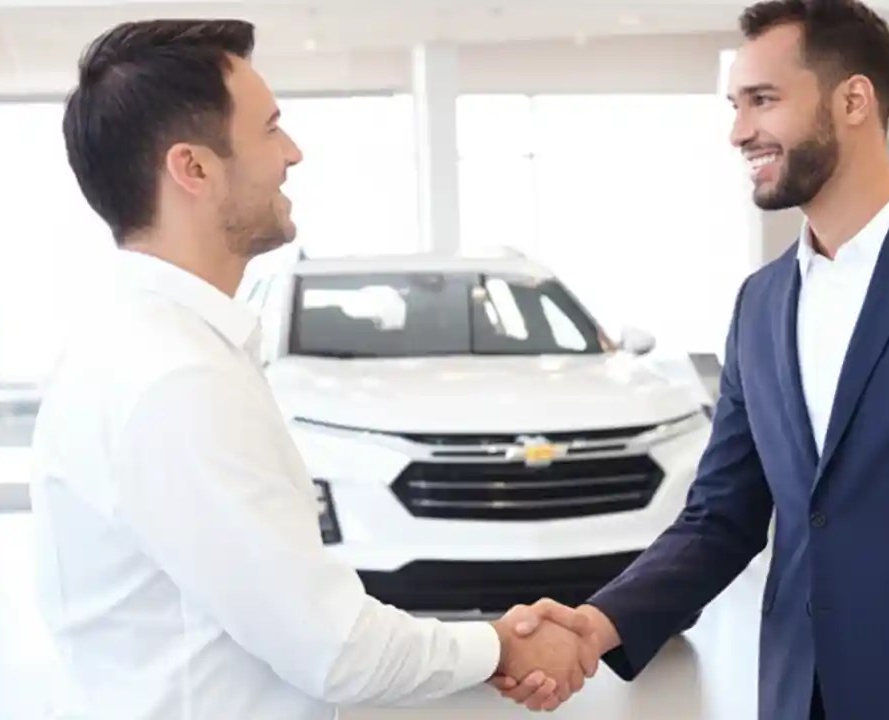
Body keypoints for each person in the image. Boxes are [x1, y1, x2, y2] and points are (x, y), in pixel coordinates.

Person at [495, 1, 889, 718]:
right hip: (796, 693)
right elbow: (721, 516)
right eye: (735, 105)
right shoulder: (761, 301)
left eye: (763, 100)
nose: (739, 130)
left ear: (853, 99)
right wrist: (598, 623)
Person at [30, 19, 595, 719]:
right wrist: (502, 648)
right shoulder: (177, 379)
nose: (292, 153)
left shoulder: (144, 345)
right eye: (270, 129)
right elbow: (335, 650)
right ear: (194, 168)